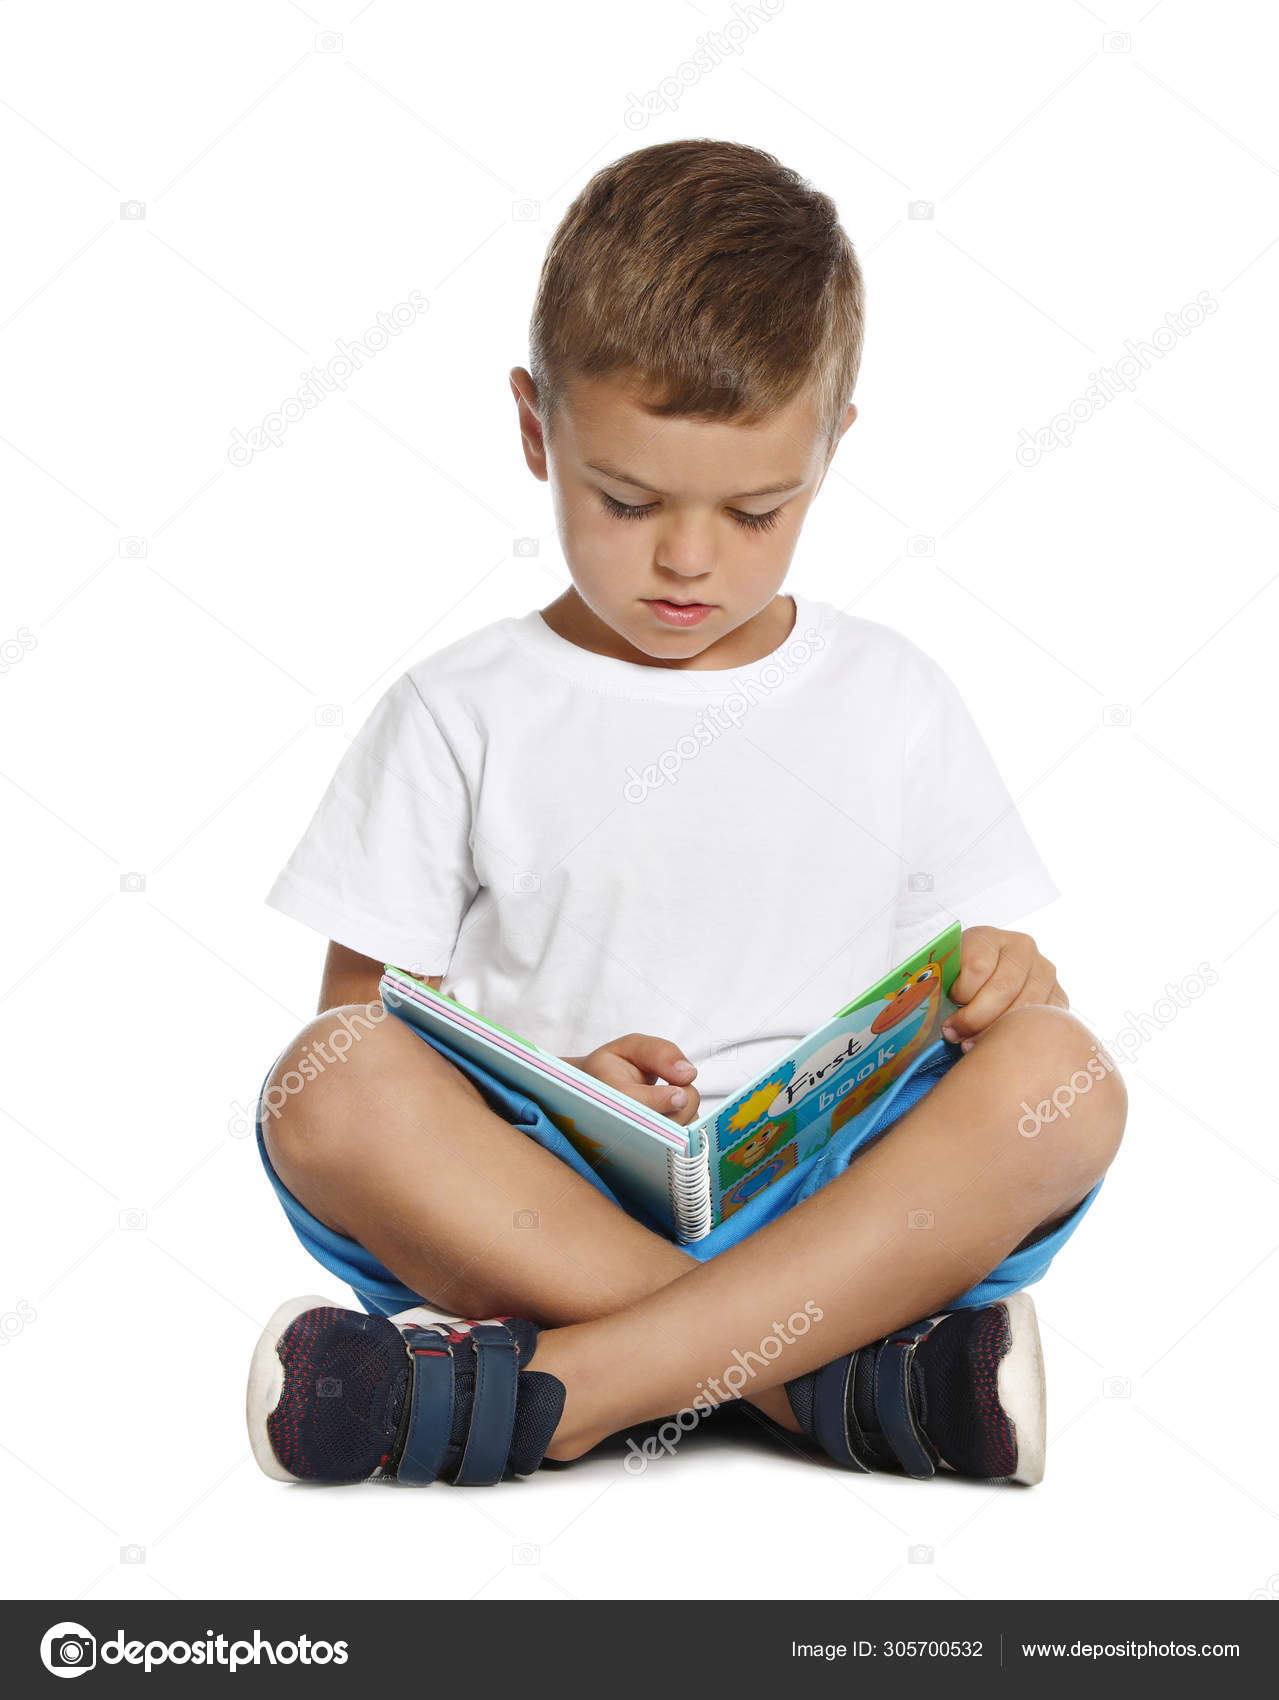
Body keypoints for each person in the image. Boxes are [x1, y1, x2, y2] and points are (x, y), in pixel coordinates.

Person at [245, 139, 1125, 1492]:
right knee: (321, 1085)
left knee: (1066, 1075)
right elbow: (370, 1025)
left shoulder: (890, 693)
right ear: (538, 429)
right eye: (627, 499)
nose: (687, 559)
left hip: (847, 1210)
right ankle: (830, 1389)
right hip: (550, 1204)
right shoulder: (458, 708)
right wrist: (541, 1081)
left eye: (757, 510)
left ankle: (556, 1389)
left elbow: (992, 995)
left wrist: (1010, 981)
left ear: (832, 450)